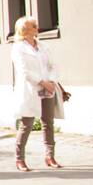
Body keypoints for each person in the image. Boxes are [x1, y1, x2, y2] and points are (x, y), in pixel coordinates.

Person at [11, 15, 66, 171]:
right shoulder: (18, 47)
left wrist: (51, 81)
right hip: (31, 89)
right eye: (34, 25)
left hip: (47, 88)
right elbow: (23, 70)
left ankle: (50, 156)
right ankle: (19, 159)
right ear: (24, 29)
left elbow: (53, 65)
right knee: (26, 124)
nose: (37, 27)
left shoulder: (43, 46)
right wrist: (42, 82)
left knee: (48, 123)